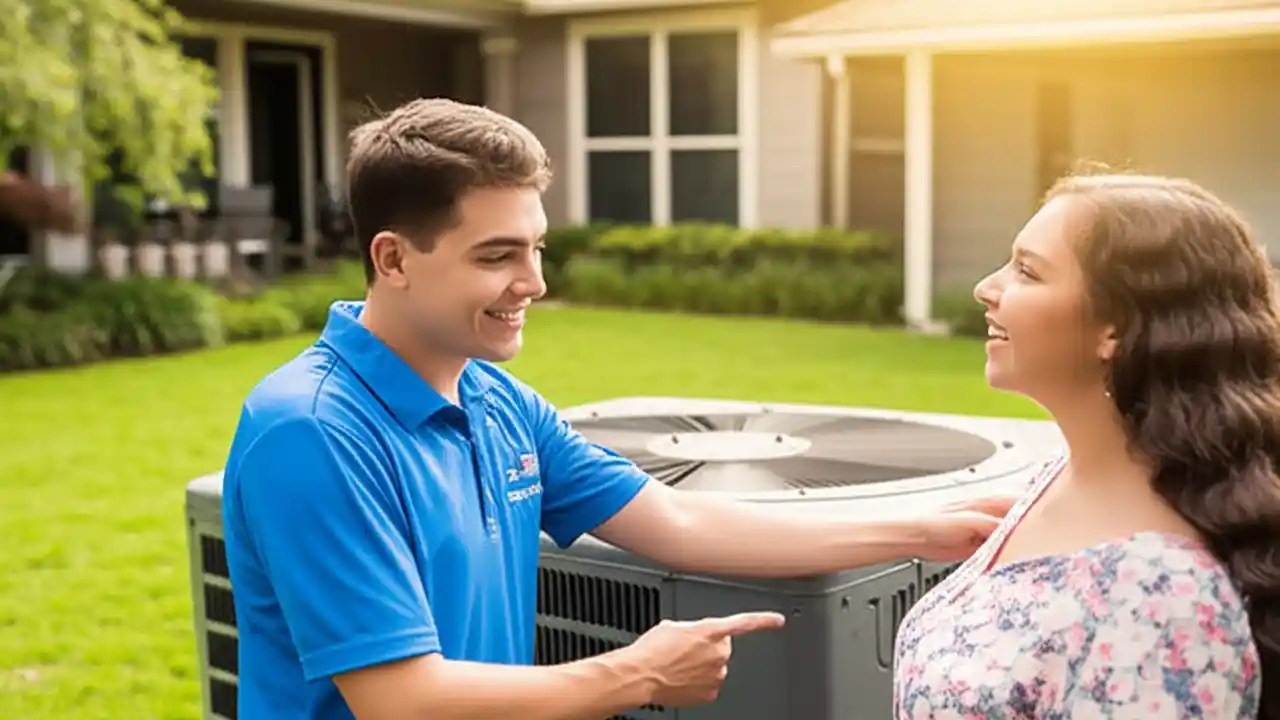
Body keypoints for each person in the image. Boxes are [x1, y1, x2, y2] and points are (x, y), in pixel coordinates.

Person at [221, 97, 1015, 720]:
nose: (533, 283)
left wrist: (930, 529)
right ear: (392, 258)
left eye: (537, 249)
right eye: (496, 256)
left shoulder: (497, 402)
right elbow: (404, 700)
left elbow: (679, 523)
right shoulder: (313, 433)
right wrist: (636, 673)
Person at [893, 171, 1280, 718]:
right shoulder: (1054, 477)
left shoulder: (1164, 608)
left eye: (1027, 271)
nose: (987, 287)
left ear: (1114, 329)